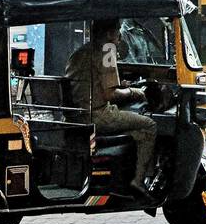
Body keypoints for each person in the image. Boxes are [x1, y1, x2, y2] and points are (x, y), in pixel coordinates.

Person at [65, 18, 156, 195]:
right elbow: (110, 94)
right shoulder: (107, 51)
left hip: (76, 115)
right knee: (149, 125)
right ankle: (138, 181)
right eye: (118, 31)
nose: (120, 36)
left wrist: (120, 85)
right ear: (108, 34)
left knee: (137, 131)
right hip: (98, 115)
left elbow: (95, 82)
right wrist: (134, 92)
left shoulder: (80, 52)